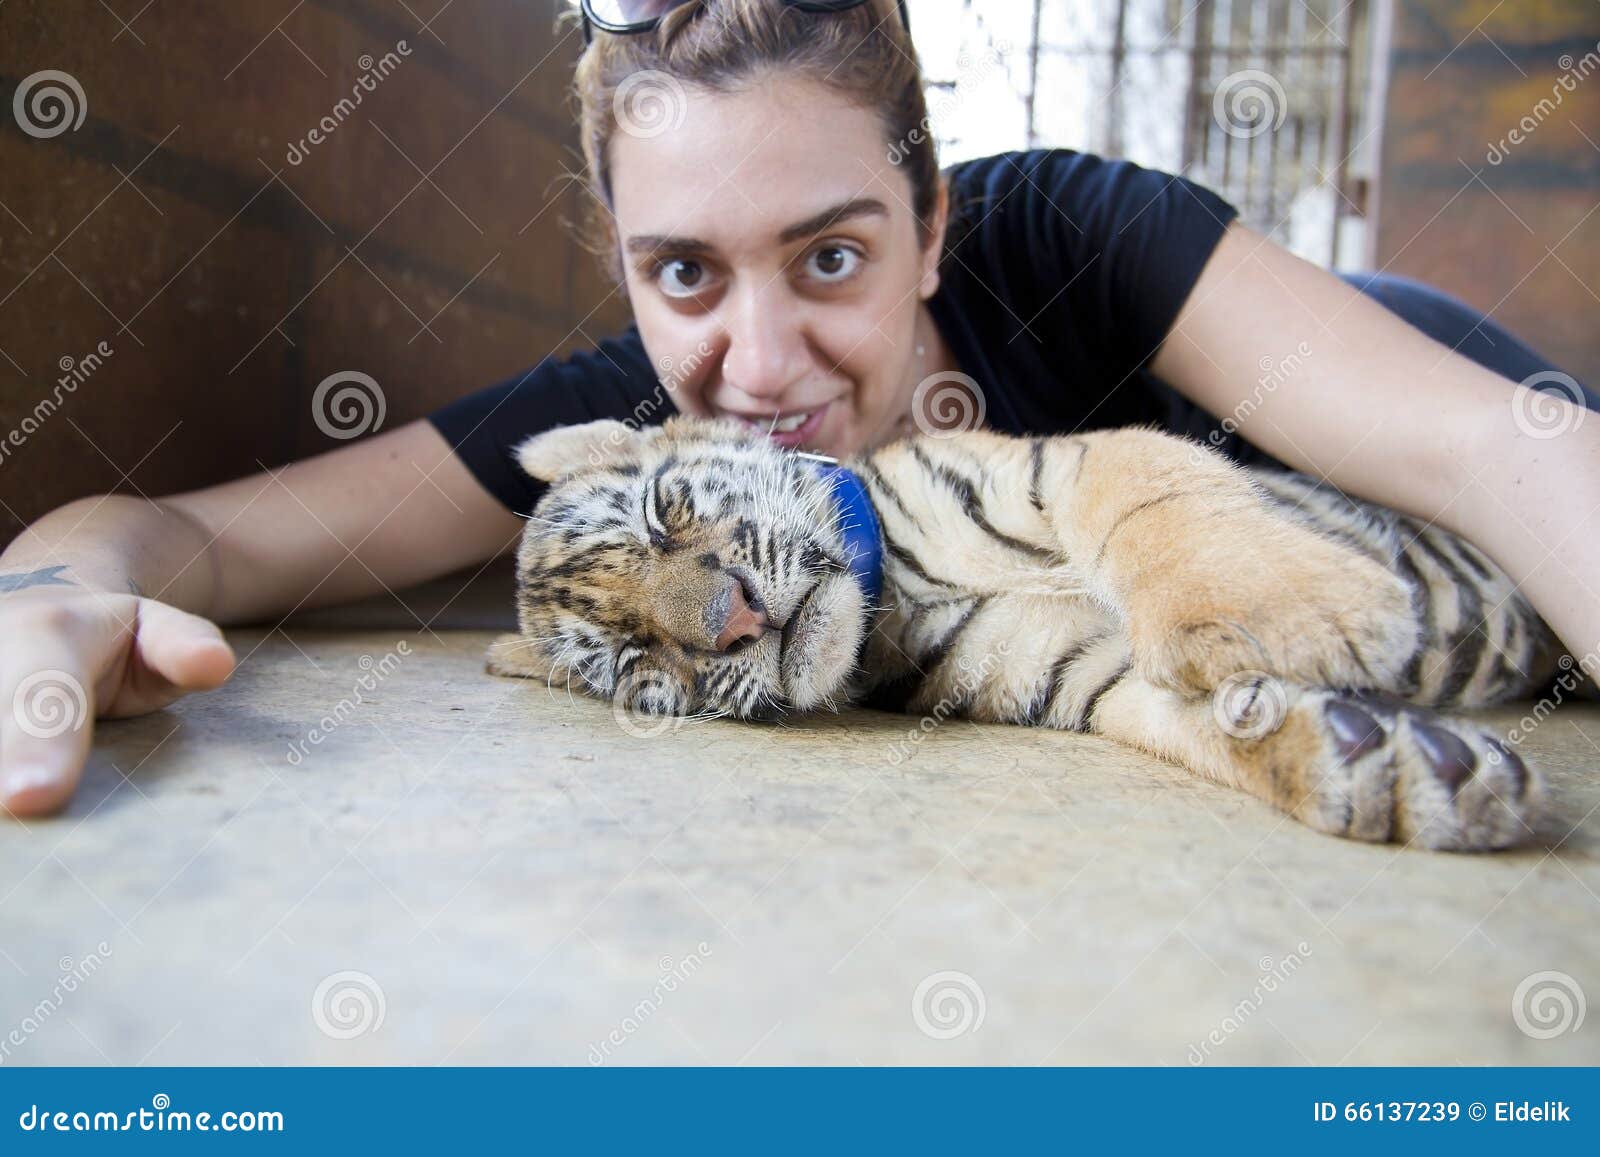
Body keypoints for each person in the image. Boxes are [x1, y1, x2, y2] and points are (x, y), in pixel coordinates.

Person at [2, 0, 1595, 819]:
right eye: (683, 272)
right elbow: (192, 535)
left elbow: (1499, 454)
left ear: (934, 224)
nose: (758, 368)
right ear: (623, 265)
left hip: (1422, 415)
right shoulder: (636, 427)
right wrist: (45, 605)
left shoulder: (1072, 235)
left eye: (831, 255)